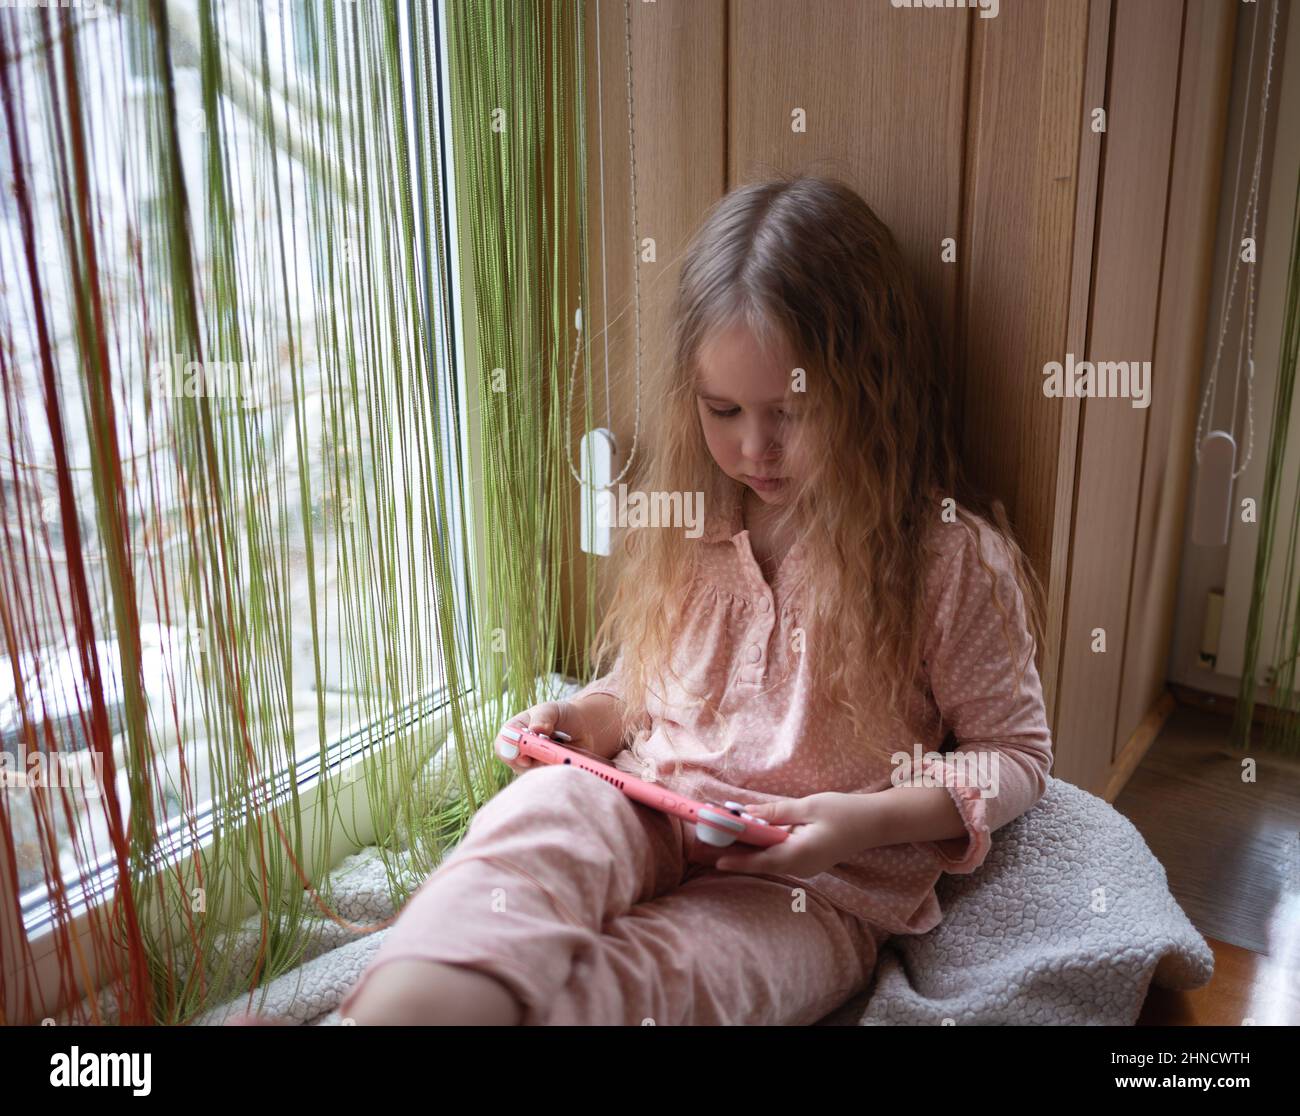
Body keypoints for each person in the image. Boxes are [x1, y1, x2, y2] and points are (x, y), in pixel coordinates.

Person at [334, 173, 1054, 1026]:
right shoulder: (691, 516)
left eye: (793, 411)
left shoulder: (944, 558)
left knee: (652, 979)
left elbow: (1014, 755)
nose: (755, 447)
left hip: (809, 886)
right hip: (648, 803)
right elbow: (651, 680)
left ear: (871, 385)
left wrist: (858, 823)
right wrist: (587, 719)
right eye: (723, 410)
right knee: (532, 830)